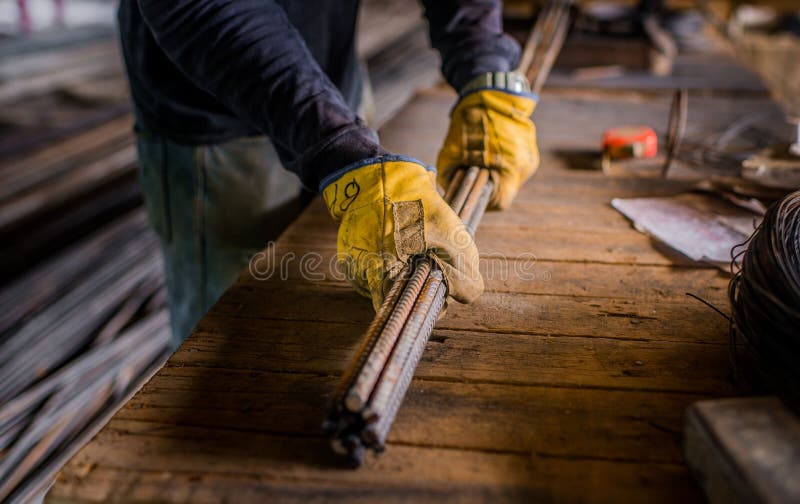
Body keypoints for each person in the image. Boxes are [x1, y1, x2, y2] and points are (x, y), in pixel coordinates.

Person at [118, 0, 540, 348]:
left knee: (343, 316)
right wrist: (342, 150)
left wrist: (483, 63)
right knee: (232, 339)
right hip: (218, 117)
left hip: (335, 82)